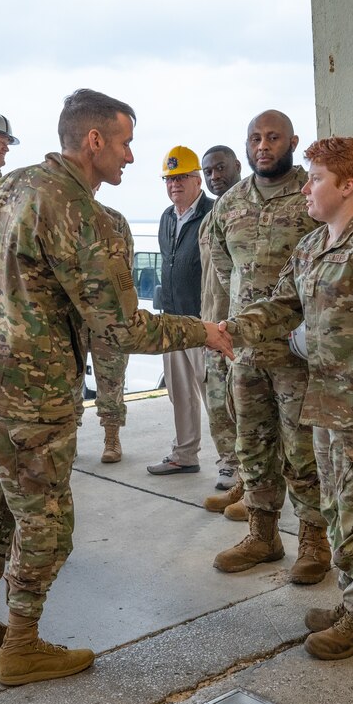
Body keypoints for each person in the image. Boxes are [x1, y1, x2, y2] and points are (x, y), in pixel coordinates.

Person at [0, 89, 232, 687]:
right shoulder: (84, 216)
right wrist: (205, 330)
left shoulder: (14, 185)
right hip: (29, 396)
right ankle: (21, 644)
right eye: (124, 142)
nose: (129, 157)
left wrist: (10, 307)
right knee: (44, 520)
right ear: (93, 140)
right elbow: (121, 326)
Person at [223, 136, 353, 660]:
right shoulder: (314, 247)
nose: (306, 188)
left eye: (315, 179)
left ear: (347, 187)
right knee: (338, 512)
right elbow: (280, 305)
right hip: (329, 408)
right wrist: (228, 330)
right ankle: (351, 603)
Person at [206, 110, 331, 584]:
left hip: (296, 351)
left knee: (301, 451)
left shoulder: (308, 195)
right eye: (255, 138)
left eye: (273, 137)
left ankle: (314, 541)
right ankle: (263, 535)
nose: (263, 146)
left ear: (292, 142)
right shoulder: (230, 202)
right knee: (252, 447)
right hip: (245, 352)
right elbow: (222, 262)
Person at [147, 146, 214, 476]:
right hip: (172, 321)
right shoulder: (166, 218)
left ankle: (232, 464)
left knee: (213, 395)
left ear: (197, 180)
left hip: (203, 321)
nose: (175, 184)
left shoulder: (211, 215)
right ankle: (184, 454)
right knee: (180, 393)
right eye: (170, 179)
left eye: (182, 177)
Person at [198, 146, 246, 502]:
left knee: (245, 405)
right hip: (212, 326)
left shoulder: (249, 211)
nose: (215, 176)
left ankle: (252, 478)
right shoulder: (208, 219)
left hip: (244, 329)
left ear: (237, 167)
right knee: (217, 402)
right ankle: (229, 464)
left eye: (220, 168)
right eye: (208, 171)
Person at [82, 202, 133, 463]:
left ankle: (112, 437)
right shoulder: (57, 219)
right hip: (70, 316)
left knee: (111, 380)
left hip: (108, 315)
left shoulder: (114, 220)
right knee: (66, 382)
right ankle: (67, 439)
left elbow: (126, 272)